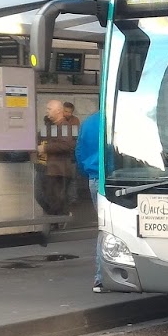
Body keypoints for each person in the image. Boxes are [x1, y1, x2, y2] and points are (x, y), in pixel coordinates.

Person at [75, 108, 104, 293]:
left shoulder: (89, 122)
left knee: (104, 227)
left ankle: (101, 278)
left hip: (94, 177)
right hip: (115, 178)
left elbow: (79, 152)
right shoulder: (121, 117)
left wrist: (88, 171)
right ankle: (103, 276)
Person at [35, 98, 78, 216]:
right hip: (44, 167)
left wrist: (45, 148)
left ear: (58, 111)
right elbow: (42, 139)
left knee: (53, 199)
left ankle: (60, 218)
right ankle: (56, 218)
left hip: (56, 169)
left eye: (49, 109)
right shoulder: (50, 126)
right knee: (41, 196)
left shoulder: (64, 126)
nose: (47, 111)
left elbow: (67, 145)